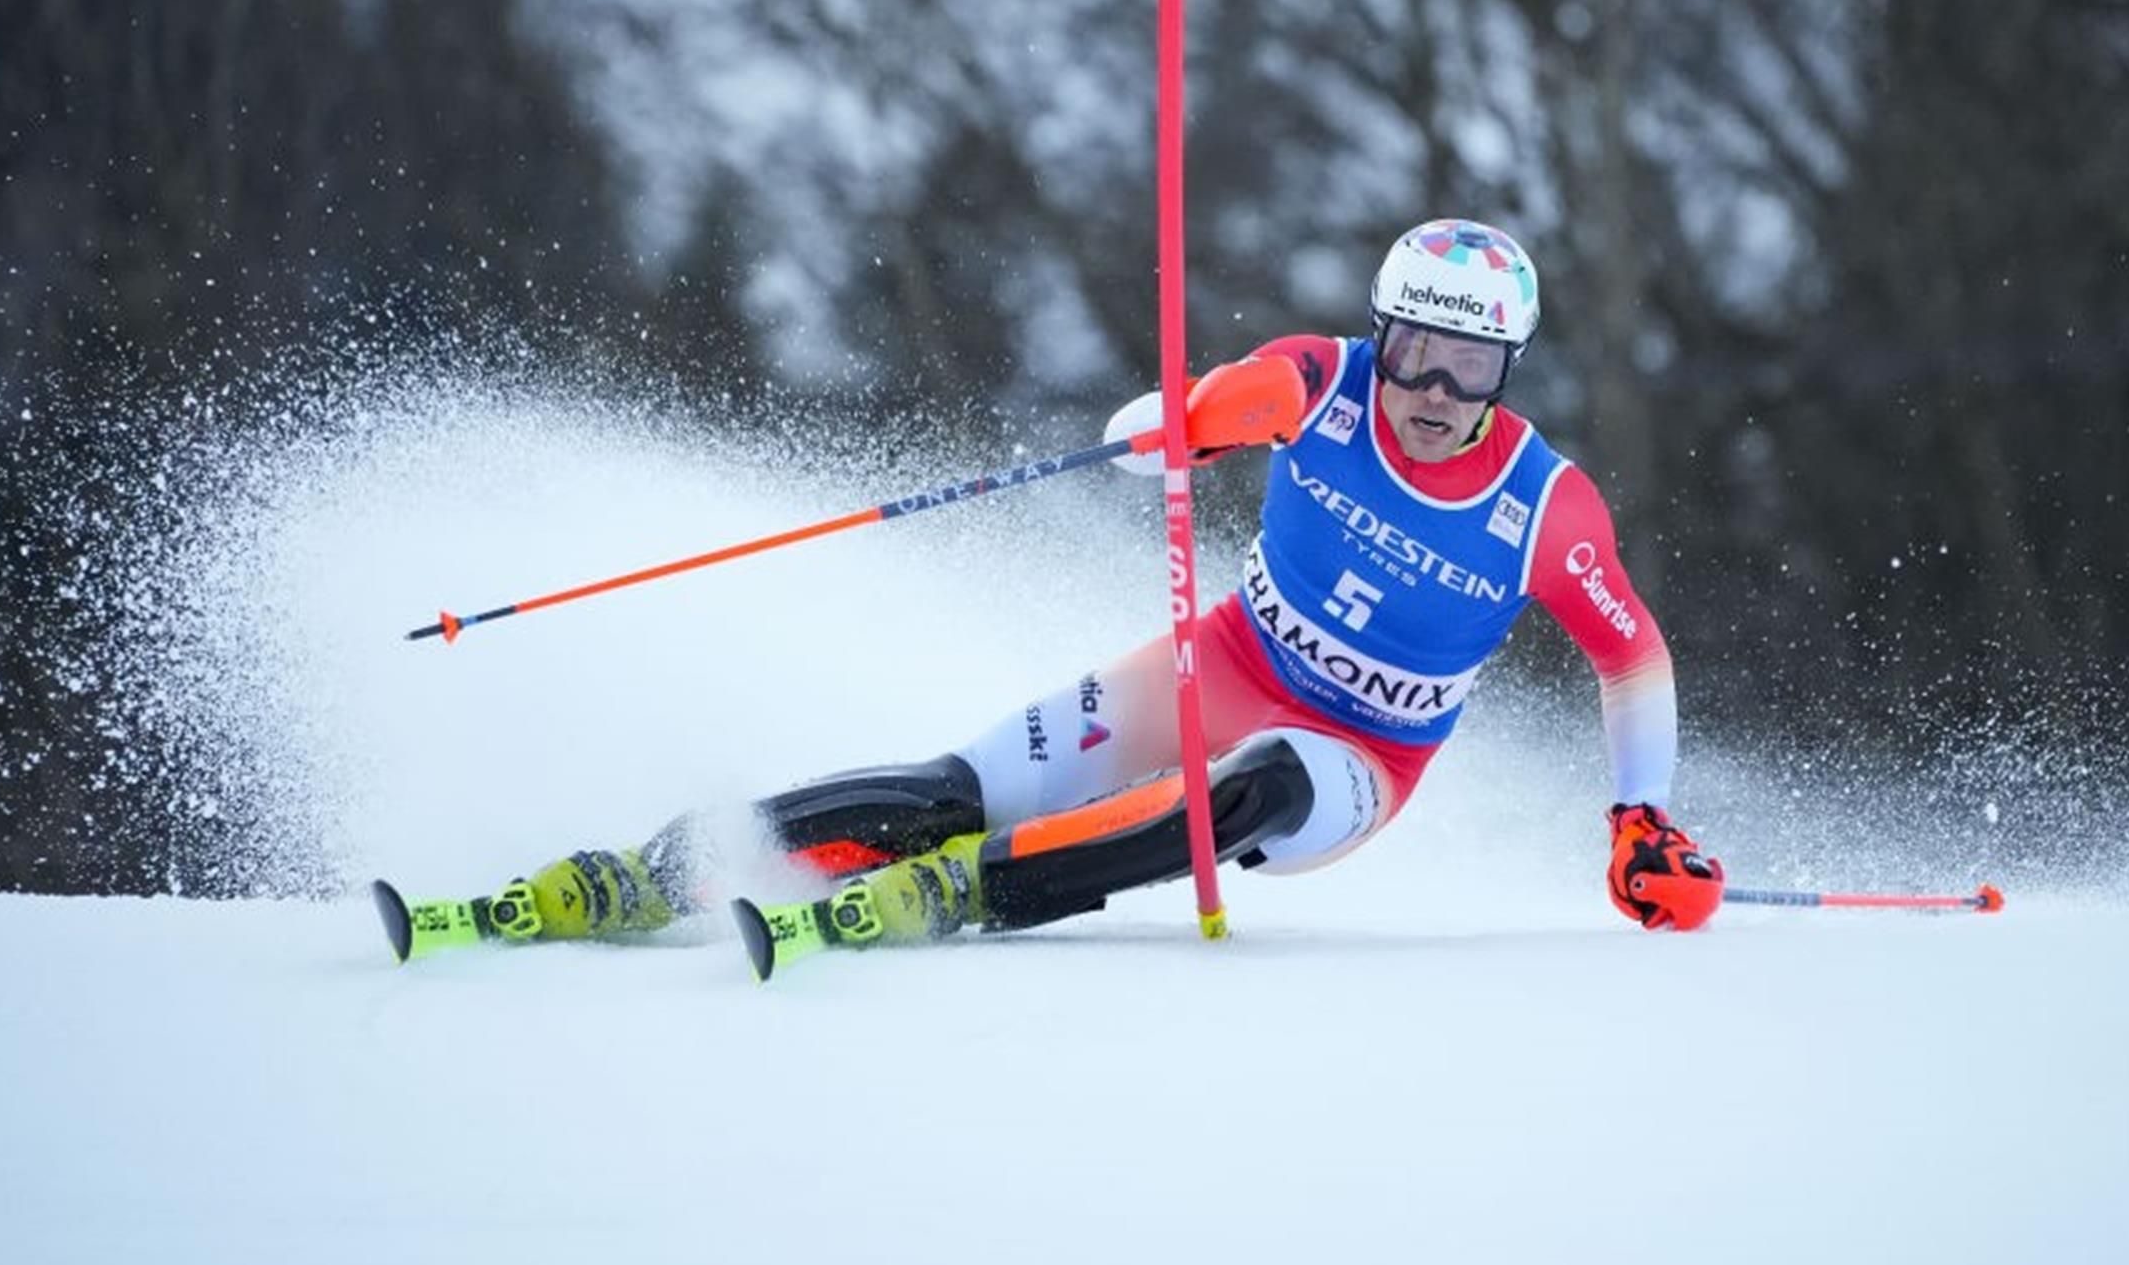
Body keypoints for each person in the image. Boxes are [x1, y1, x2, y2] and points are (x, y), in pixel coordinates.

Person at [384, 218, 1722, 964]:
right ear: (1386, 335)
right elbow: (1233, 399)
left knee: (1244, 791)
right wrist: (1189, 423)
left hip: (1357, 757)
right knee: (948, 787)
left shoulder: (1545, 507)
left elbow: (1633, 657)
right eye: (1420, 355)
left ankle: (968, 894)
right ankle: (644, 872)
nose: (1436, 396)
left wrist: (1637, 822)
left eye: (1472, 371)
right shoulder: (1325, 384)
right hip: (1221, 658)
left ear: (1511, 373)